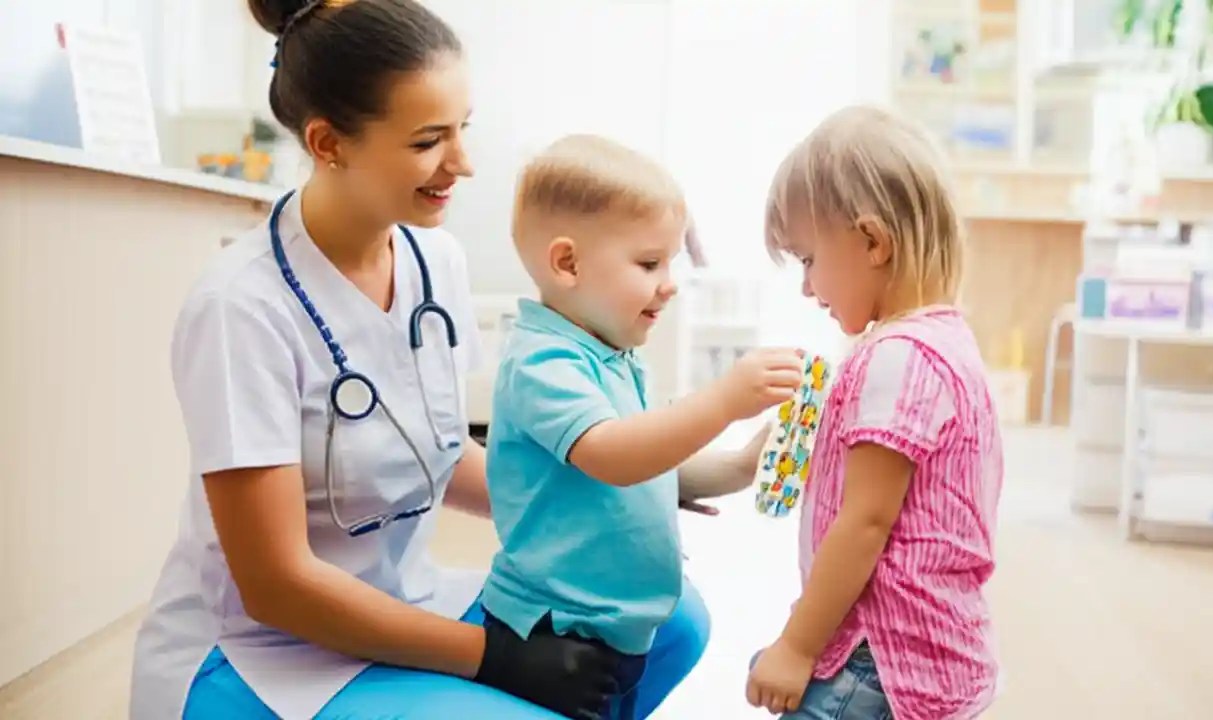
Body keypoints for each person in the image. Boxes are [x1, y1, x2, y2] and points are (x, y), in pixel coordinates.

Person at [128, 2, 754, 718]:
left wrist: (616, 489)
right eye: (429, 140)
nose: (464, 163)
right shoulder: (241, 307)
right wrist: (495, 658)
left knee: (670, 627)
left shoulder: (434, 260)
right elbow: (275, 583)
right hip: (261, 652)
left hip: (399, 599)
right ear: (328, 143)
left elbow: (442, 452)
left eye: (464, 128)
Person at [480, 135, 805, 719]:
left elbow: (654, 461)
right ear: (567, 263)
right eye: (650, 263)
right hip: (556, 632)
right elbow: (614, 456)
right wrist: (725, 399)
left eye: (671, 263)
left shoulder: (614, 357)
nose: (670, 281)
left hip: (619, 627)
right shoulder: (542, 363)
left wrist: (743, 464)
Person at [743, 105, 1004, 720]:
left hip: (876, 660)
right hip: (925, 653)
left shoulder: (899, 356)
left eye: (808, 259)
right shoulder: (946, 343)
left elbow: (865, 522)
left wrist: (796, 646)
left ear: (873, 242)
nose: (807, 288)